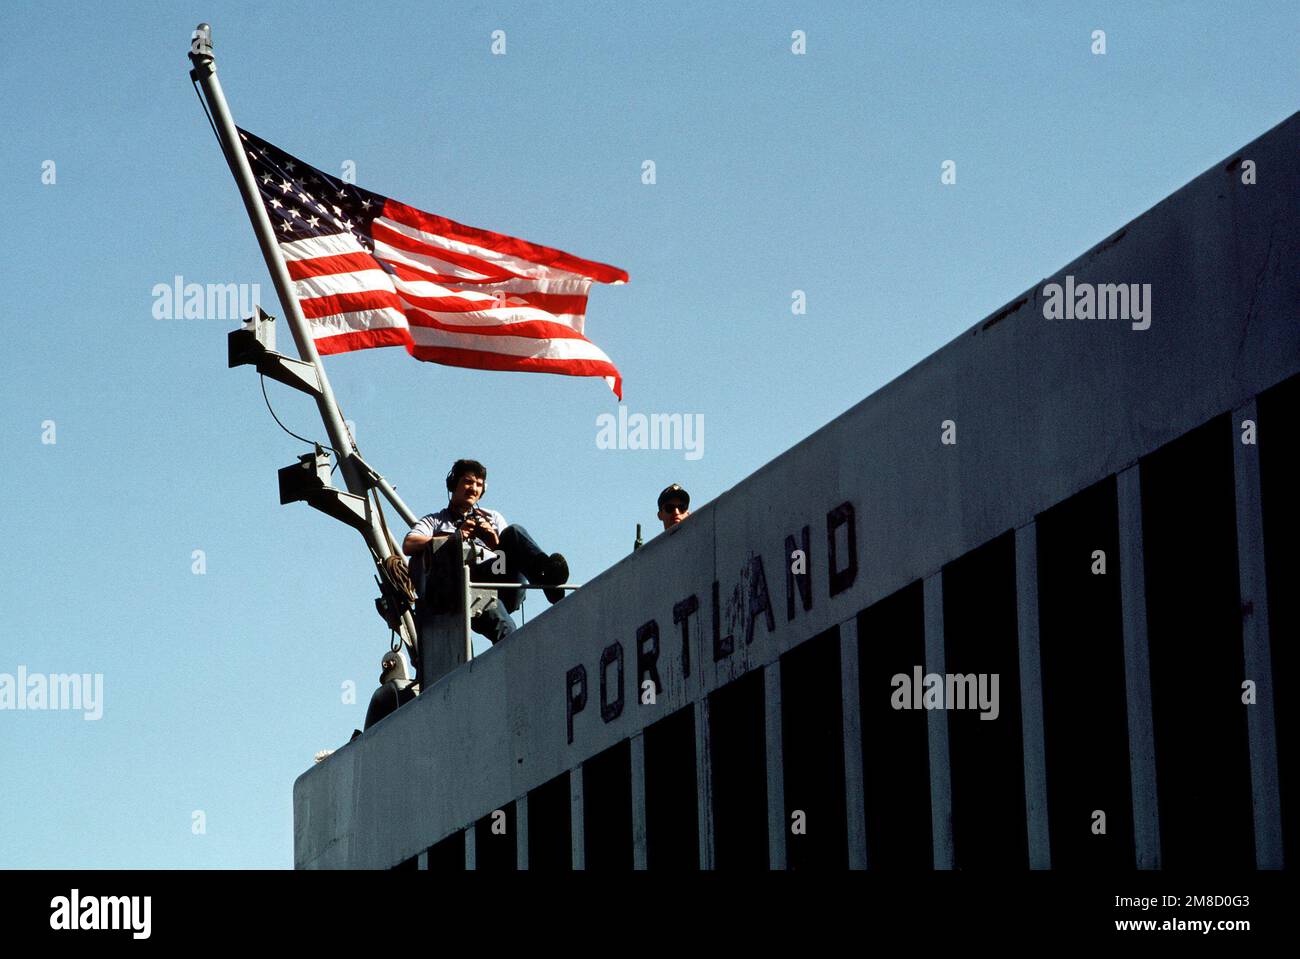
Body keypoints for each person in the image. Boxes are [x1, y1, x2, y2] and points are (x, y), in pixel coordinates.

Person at [402, 459, 569, 645]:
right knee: (505, 629)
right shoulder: (435, 521)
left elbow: (509, 554)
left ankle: (547, 579)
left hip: (498, 574)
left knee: (513, 532)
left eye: (479, 484)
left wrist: (493, 540)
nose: (473, 488)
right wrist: (457, 537)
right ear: (453, 484)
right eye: (468, 482)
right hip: (467, 587)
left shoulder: (492, 517)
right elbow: (409, 544)